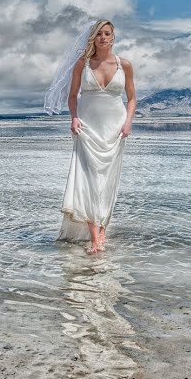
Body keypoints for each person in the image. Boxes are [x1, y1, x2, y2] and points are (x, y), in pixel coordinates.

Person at [45, 19, 136, 254]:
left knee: (108, 182)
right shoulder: (82, 65)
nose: (103, 37)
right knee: (89, 180)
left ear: (113, 37)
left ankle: (102, 228)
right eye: (98, 34)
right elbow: (72, 96)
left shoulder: (124, 65)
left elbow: (132, 98)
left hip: (115, 129)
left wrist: (128, 123)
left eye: (107, 34)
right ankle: (96, 240)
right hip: (87, 127)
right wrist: (73, 118)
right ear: (93, 38)